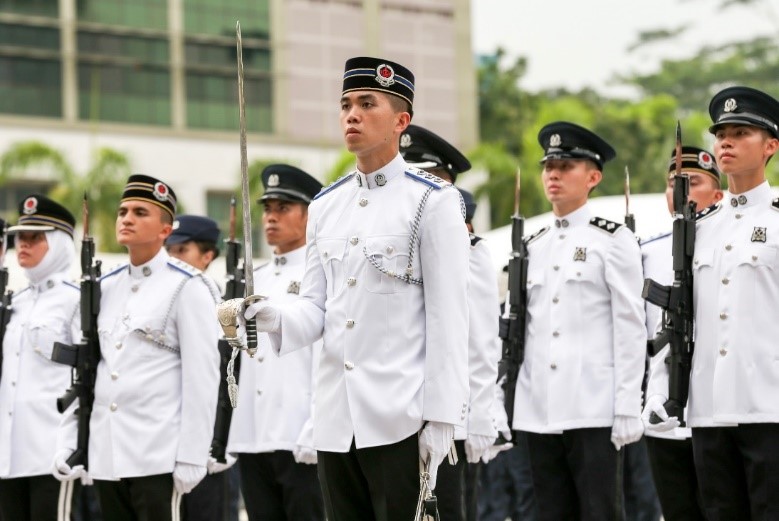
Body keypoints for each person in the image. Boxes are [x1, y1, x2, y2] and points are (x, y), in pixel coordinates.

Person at [244, 56, 470, 520]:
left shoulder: (432, 201)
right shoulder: (326, 205)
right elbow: (316, 310)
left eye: (367, 104)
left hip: (399, 417)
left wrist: (443, 417)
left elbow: (449, 319)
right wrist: (270, 314)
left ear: (401, 121)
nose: (352, 114)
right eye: (346, 104)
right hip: (335, 418)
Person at [642, 86, 779, 519]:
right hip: (709, 407)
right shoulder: (702, 227)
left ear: (771, 146)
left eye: (741, 133)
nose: (726, 142)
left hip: (769, 405)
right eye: (722, 134)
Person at [53, 174, 221, 521]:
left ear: (165, 229)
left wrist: (192, 454)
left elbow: (202, 379)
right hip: (107, 453)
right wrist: (72, 441)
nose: (127, 218)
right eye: (123, 211)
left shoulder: (186, 287)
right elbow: (87, 371)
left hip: (156, 453)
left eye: (140, 212)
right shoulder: (105, 287)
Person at [513, 122, 646, 521]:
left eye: (566, 165)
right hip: (539, 409)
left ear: (593, 176)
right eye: (549, 165)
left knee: (599, 512)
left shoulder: (613, 240)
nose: (553, 173)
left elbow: (629, 325)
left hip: (593, 405)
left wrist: (626, 403)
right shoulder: (532, 246)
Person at [400, 124, 499, 521]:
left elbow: (477, 340)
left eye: (424, 177)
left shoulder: (469, 249)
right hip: (394, 412)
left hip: (446, 416)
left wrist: (476, 418)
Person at [226, 164, 325, 521]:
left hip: (300, 432)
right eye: (268, 208)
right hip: (254, 432)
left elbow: (325, 355)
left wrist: (317, 422)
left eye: (283, 208)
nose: (271, 217)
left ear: (309, 214)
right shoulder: (255, 279)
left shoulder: (321, 274)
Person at [640, 146, 722, 521]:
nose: (681, 189)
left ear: (718, 194)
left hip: (720, 411)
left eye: (693, 182)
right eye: (674, 182)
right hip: (663, 411)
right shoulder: (645, 251)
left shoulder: (725, 246)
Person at [0, 195, 80, 520]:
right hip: (9, 451)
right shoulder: (14, 303)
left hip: (51, 450)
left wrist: (74, 444)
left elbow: (86, 376)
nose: (24, 244)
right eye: (21, 236)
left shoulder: (75, 301)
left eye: (36, 237)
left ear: (59, 243)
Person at [164, 214, 235, 521]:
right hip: (168, 444)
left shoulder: (227, 305)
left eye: (182, 251)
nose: (172, 258)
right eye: (169, 250)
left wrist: (224, 443)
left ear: (208, 256)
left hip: (214, 447)